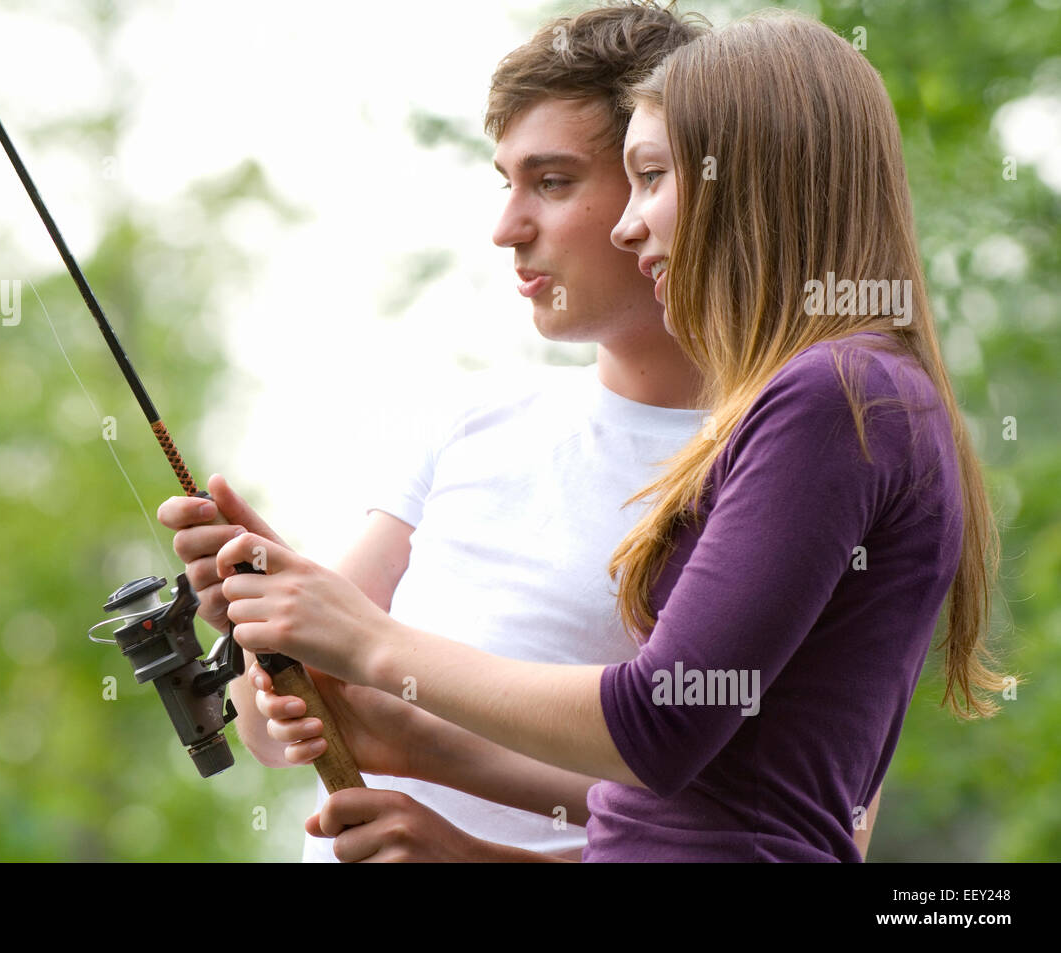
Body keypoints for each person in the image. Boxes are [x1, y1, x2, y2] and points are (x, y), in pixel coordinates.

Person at [212, 9, 1004, 862]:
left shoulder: (836, 395)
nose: (632, 223)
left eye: (653, 177)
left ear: (746, 176)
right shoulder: (853, 395)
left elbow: (663, 725)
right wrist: (424, 766)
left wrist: (368, 640)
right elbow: (713, 804)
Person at [160, 2, 725, 862]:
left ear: (659, 182)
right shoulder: (471, 421)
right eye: (507, 183)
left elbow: (766, 822)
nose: (507, 229)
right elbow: (278, 734)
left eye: (554, 181)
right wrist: (268, 627)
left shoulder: (766, 463)